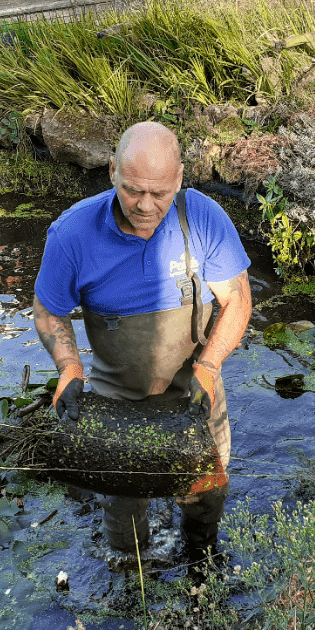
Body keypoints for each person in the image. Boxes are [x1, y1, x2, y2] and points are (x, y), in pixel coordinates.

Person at [33, 121, 252, 565]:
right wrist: (69, 366)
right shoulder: (72, 233)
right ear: (112, 171)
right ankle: (131, 572)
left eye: (160, 193)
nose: (146, 206)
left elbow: (238, 301)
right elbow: (48, 309)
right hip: (117, 401)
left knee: (206, 494)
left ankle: (200, 558)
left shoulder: (203, 218)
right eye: (133, 190)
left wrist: (209, 366)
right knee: (123, 508)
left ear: (179, 178)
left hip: (195, 394)